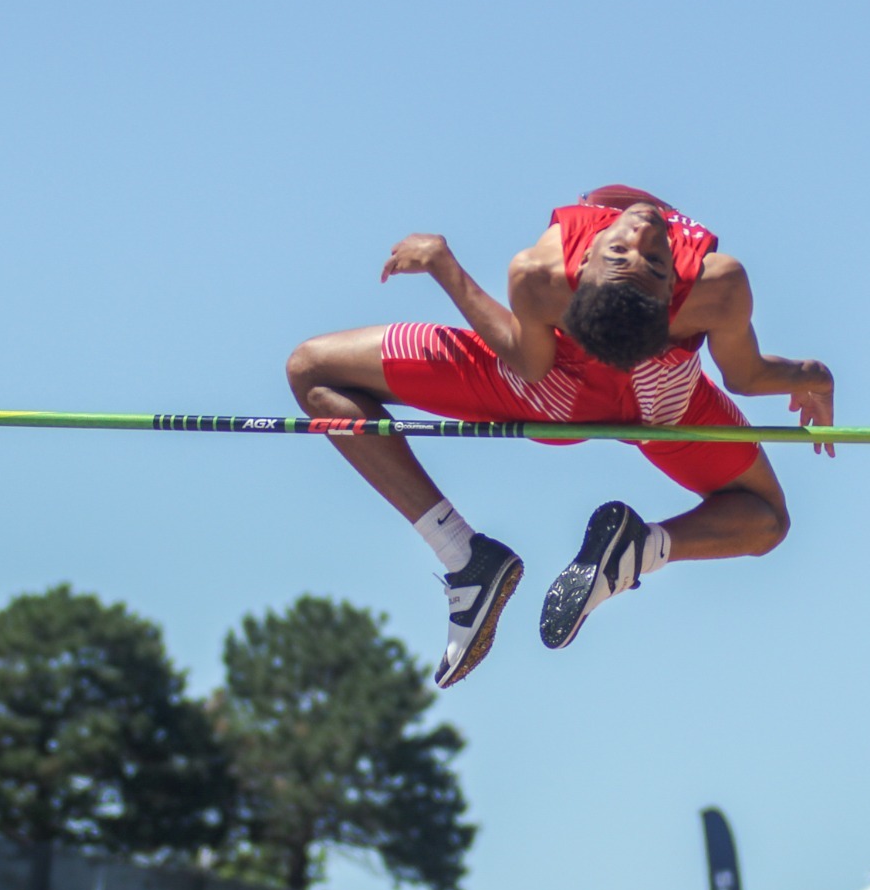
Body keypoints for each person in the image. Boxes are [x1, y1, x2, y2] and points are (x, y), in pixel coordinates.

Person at [287, 185, 835, 688]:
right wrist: (813, 376)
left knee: (311, 371)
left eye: (648, 260)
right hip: (662, 406)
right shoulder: (719, 283)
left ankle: (464, 555)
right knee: (765, 518)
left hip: (551, 397)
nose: (643, 233)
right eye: (633, 254)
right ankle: (640, 549)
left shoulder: (540, 270)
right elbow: (745, 375)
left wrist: (443, 265)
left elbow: (527, 362)